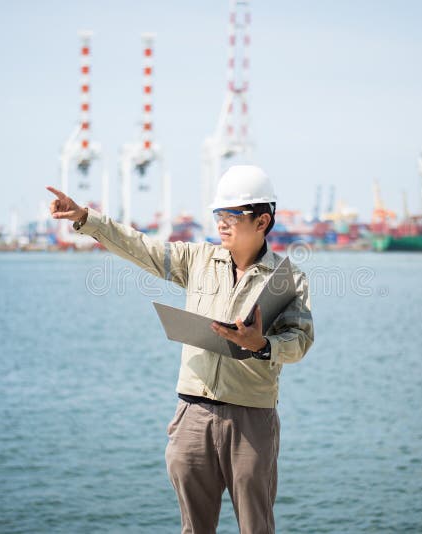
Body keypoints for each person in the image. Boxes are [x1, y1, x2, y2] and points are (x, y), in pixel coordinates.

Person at [47, 164, 314, 533]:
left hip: (252, 419)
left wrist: (262, 345)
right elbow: (140, 247)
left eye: (232, 215)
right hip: (193, 413)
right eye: (218, 214)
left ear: (262, 221)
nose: (221, 223)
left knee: (256, 527)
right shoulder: (198, 260)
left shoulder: (289, 280)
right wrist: (86, 218)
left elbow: (300, 340)